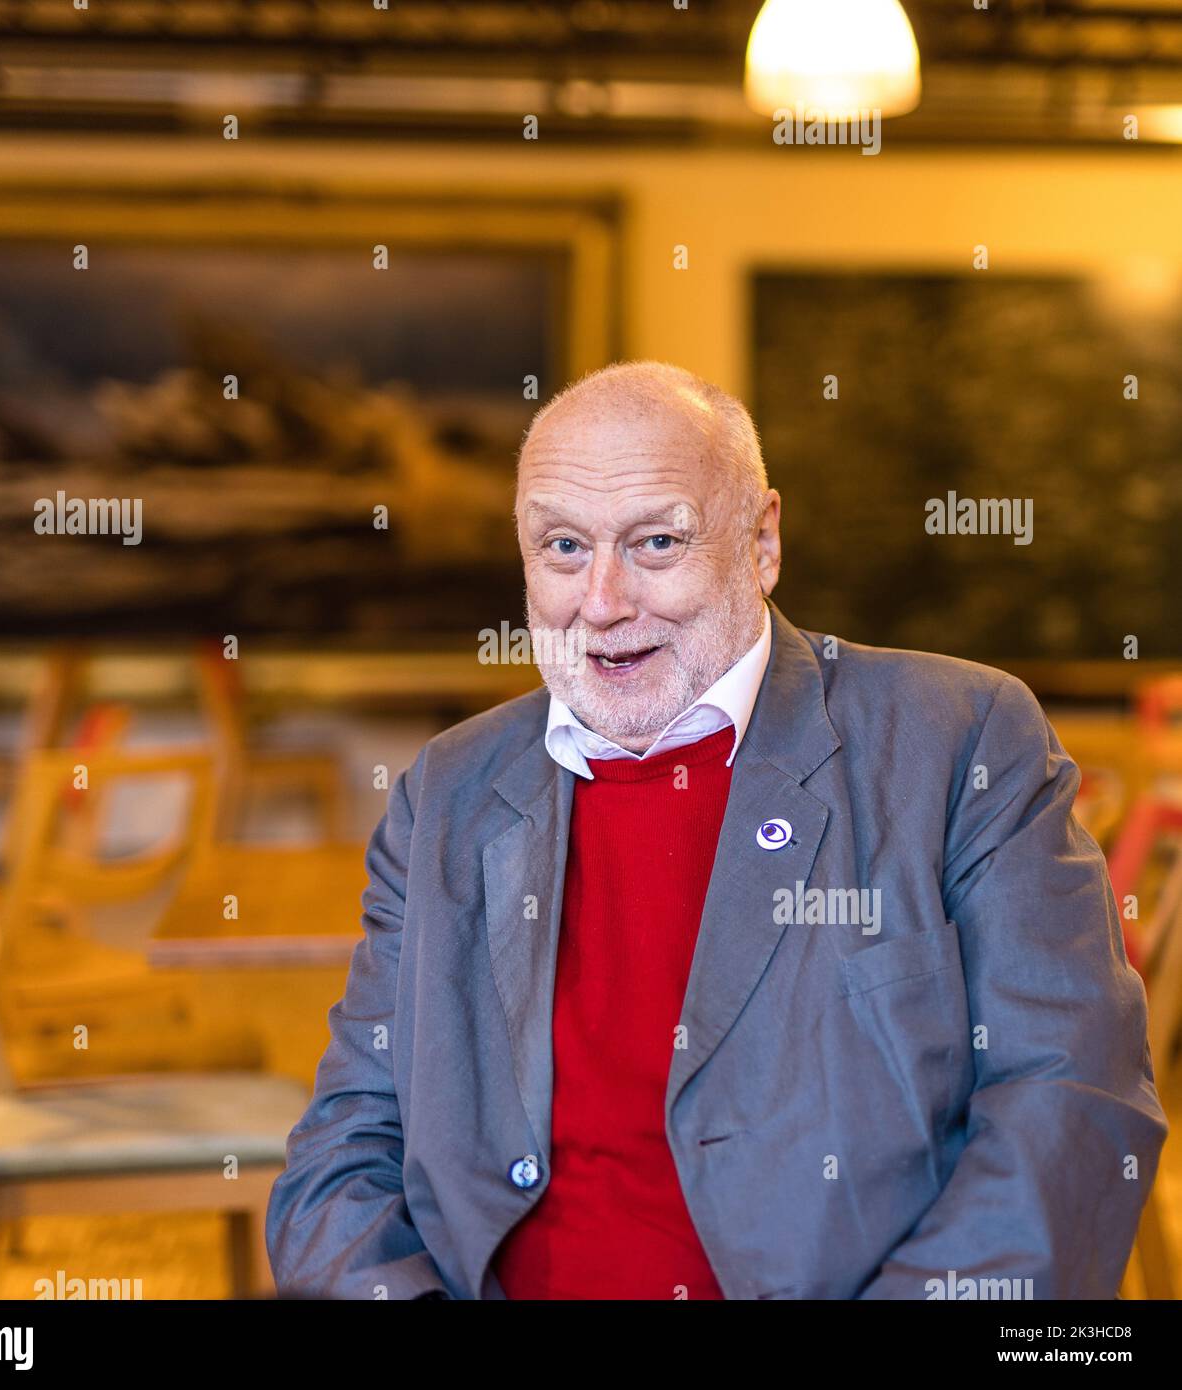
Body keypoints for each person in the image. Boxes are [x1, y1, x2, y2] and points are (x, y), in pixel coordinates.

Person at [267, 360, 1167, 1300]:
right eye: (563, 548)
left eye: (656, 542)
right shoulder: (445, 793)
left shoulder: (956, 740)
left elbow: (1071, 1106)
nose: (603, 602)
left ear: (762, 541)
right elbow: (345, 1149)